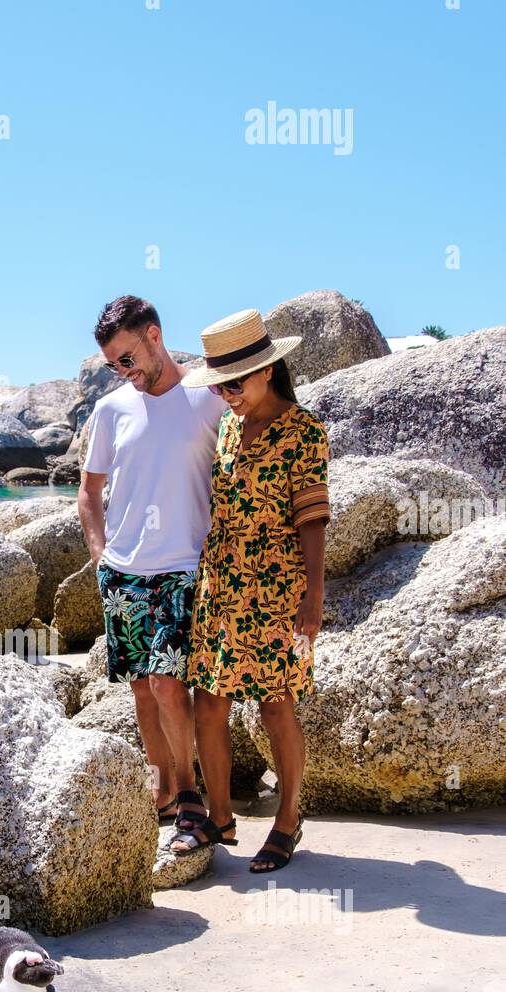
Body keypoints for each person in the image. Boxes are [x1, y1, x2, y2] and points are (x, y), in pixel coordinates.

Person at [170, 308, 331, 872]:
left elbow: (312, 517)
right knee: (209, 701)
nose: (226, 395)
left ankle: (287, 819)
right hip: (220, 583)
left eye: (234, 384)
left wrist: (314, 596)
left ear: (267, 370)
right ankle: (220, 817)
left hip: (278, 585)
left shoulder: (303, 430)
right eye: (219, 386)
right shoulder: (230, 426)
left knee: (275, 702)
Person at [78, 295, 228, 837]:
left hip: (186, 567)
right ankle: (163, 790)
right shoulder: (111, 410)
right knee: (142, 688)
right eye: (113, 364)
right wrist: (100, 556)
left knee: (167, 682)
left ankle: (188, 793)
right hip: (123, 572)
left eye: (127, 358)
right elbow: (89, 492)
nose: (123, 371)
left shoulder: (209, 396)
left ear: (155, 336)